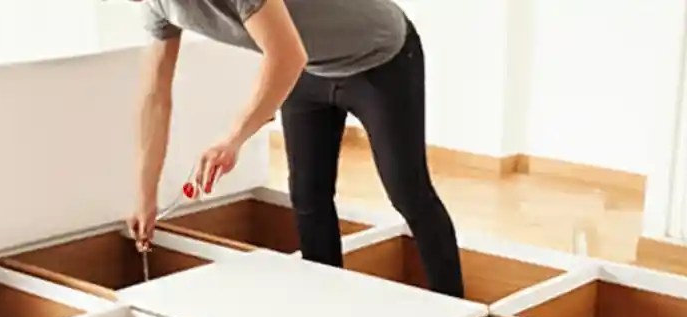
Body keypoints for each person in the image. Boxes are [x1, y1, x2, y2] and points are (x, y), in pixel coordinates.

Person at [127, 0, 465, 298]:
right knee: (307, 196)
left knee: (408, 193)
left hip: (380, 58)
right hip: (307, 68)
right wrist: (145, 196)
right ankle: (326, 307)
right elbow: (155, 97)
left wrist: (233, 138)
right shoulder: (155, 5)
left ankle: (455, 314)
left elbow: (285, 55)